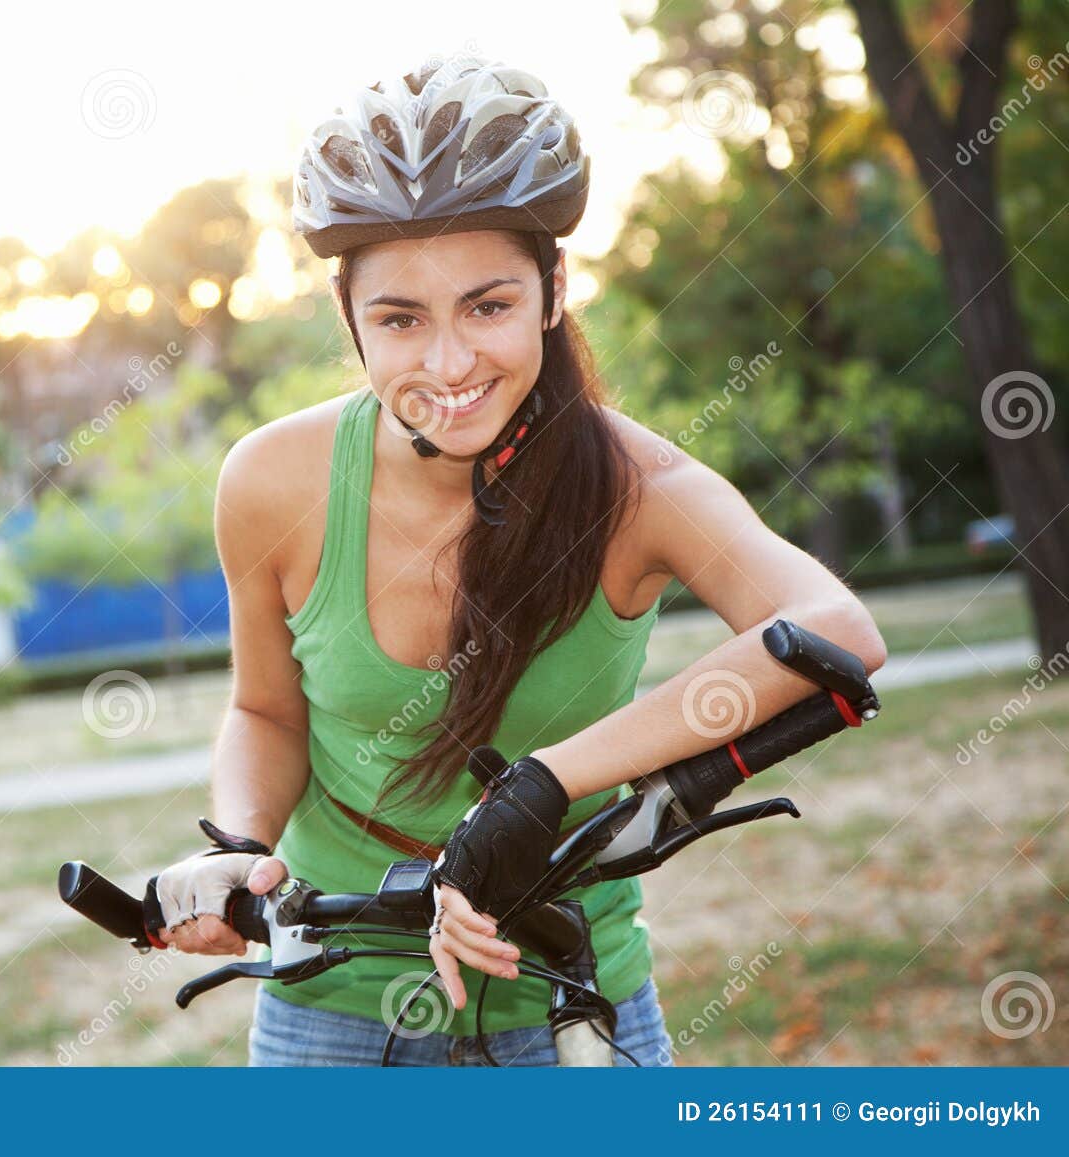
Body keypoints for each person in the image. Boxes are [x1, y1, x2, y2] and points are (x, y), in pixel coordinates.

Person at [150, 56, 887, 1066]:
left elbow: (838, 632)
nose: (448, 365)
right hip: (329, 1012)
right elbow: (266, 711)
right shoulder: (273, 480)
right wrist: (237, 848)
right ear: (349, 319)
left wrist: (540, 786)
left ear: (551, 290)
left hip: (571, 1006)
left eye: (486, 306)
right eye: (399, 318)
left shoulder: (643, 488)